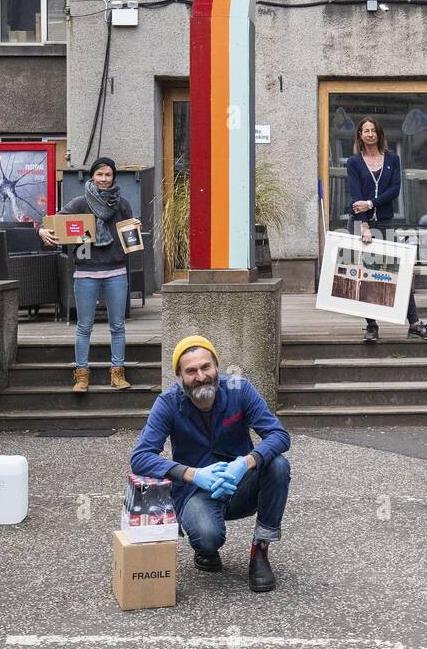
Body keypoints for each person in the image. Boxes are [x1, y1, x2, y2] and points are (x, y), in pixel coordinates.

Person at [130, 336, 292, 593]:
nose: (201, 376)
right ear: (180, 376)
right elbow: (140, 457)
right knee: (207, 537)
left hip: (240, 483)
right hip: (196, 490)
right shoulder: (168, 402)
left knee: (278, 465)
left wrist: (244, 463)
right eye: (191, 371)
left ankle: (260, 550)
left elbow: (279, 435)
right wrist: (192, 474)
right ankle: (205, 547)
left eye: (206, 367)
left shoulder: (240, 389)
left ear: (217, 367)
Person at [39, 156, 140, 392]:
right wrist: (42, 231)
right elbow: (53, 222)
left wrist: (134, 227)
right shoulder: (80, 203)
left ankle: (117, 374)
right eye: (99, 174)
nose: (104, 179)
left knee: (117, 326)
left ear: (113, 177)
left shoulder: (122, 204)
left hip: (116, 271)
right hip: (86, 271)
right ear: (93, 176)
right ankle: (81, 376)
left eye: (108, 175)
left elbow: (128, 237)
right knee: (84, 326)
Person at [344, 116, 427, 343]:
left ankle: (414, 324)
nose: (369, 134)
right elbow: (356, 196)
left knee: (398, 274)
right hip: (360, 224)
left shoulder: (392, 159)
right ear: (360, 135)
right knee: (365, 276)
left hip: (385, 223)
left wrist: (371, 204)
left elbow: (394, 190)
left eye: (373, 130)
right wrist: (364, 224)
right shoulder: (354, 162)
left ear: (379, 134)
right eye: (365, 130)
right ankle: (371, 325)